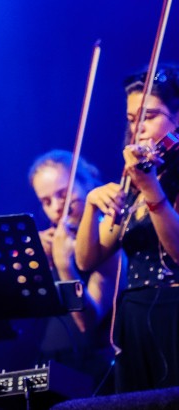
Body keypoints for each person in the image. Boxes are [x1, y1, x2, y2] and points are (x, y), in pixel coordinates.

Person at [76, 63, 179, 392]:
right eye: (133, 120)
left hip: (173, 314)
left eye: (149, 116)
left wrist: (151, 189)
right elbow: (87, 259)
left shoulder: (154, 180)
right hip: (134, 318)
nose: (139, 130)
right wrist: (92, 206)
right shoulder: (136, 179)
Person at [27, 150, 118, 392]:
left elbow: (88, 323)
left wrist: (65, 266)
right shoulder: (50, 242)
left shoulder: (107, 241)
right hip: (50, 359)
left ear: (87, 183)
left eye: (63, 195)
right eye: (46, 201)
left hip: (93, 369)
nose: (57, 208)